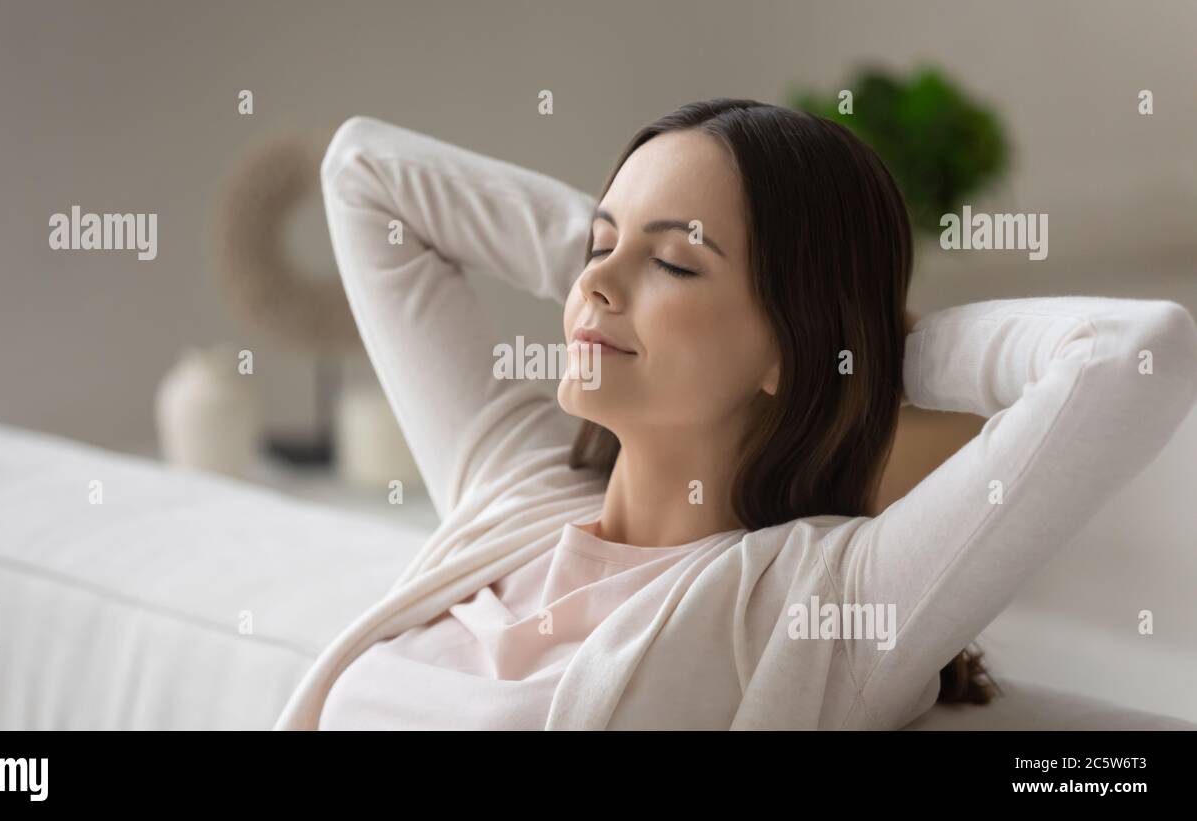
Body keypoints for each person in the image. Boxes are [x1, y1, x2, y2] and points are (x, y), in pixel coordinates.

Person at [275, 99, 1197, 730]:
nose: (591, 281)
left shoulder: (819, 607)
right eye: (597, 248)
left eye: (678, 263)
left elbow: (1136, 352)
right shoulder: (514, 490)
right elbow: (364, 172)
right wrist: (621, 258)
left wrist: (868, 347)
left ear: (786, 344)